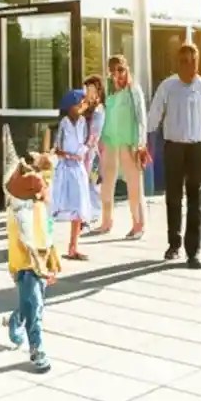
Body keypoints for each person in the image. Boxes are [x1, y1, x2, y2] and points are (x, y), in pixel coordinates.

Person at [148, 43, 201, 270]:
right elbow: (154, 116)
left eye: (193, 61)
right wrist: (145, 143)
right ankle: (173, 243)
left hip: (197, 147)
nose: (189, 66)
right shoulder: (167, 87)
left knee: (196, 198)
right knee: (173, 197)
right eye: (184, 61)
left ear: (198, 63)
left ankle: (193, 252)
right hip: (173, 148)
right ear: (177, 64)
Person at [3, 152, 60, 373]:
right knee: (35, 305)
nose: (46, 190)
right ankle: (37, 348)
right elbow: (26, 240)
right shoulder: (19, 208)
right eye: (43, 186)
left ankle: (15, 320)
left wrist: (52, 258)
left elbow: (47, 230)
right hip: (25, 263)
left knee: (33, 304)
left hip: (41, 260)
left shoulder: (39, 205)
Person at [100, 55, 150, 240]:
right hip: (110, 141)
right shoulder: (110, 92)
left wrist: (140, 143)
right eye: (113, 72)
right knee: (106, 182)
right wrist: (101, 140)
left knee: (134, 184)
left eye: (120, 70)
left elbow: (141, 118)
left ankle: (138, 224)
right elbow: (106, 116)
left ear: (126, 69)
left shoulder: (133, 90)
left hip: (130, 142)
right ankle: (106, 221)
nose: (117, 75)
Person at [51, 89, 94, 261]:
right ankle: (46, 246)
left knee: (79, 206)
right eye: (80, 103)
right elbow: (57, 147)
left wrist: (81, 153)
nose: (84, 105)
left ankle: (73, 247)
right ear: (71, 107)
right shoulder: (64, 123)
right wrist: (69, 155)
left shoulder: (83, 121)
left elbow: (85, 141)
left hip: (78, 167)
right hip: (64, 168)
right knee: (55, 206)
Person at [81, 75, 106, 232]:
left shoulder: (99, 110)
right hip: (86, 152)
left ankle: (93, 215)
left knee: (93, 183)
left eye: (91, 90)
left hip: (94, 152)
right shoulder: (87, 108)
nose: (88, 94)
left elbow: (95, 133)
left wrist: (86, 146)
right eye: (87, 90)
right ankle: (86, 216)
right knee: (86, 183)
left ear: (98, 92)